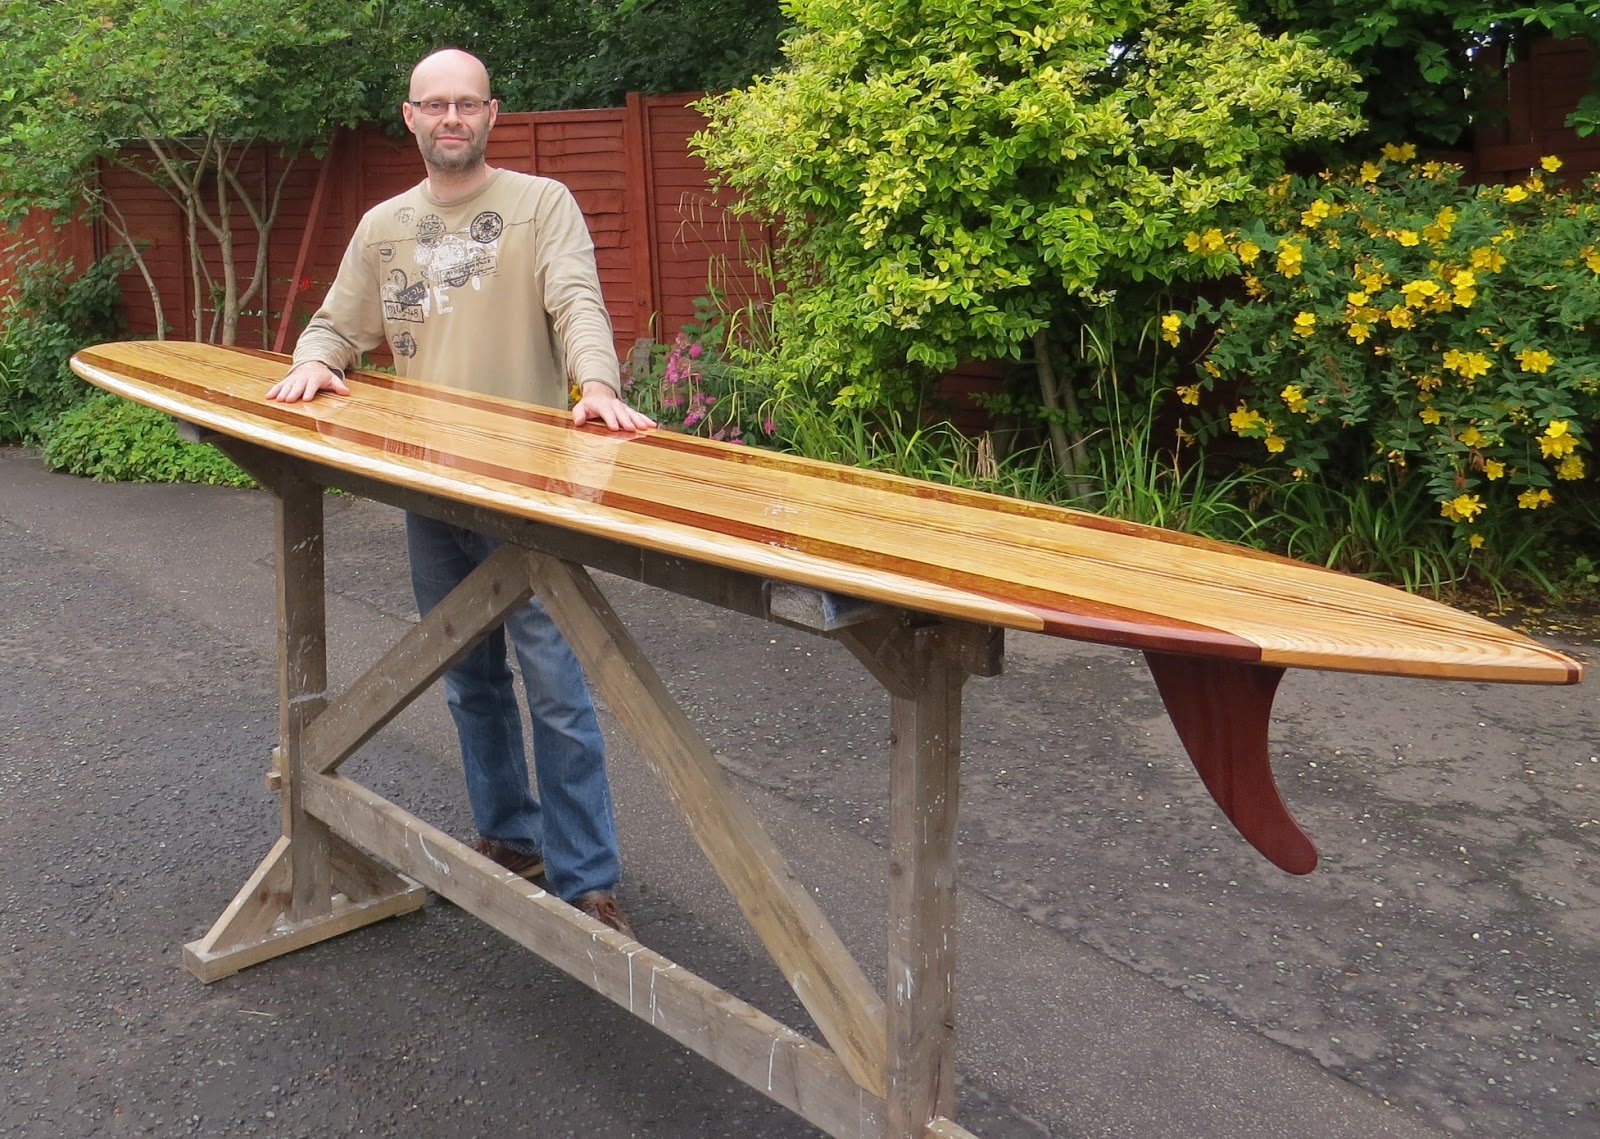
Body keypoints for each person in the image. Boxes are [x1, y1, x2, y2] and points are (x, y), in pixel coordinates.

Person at [267, 47, 655, 937]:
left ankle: (586, 879)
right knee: (467, 677)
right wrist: (316, 363)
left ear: (491, 114)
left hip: (529, 491)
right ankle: (508, 834)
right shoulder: (383, 225)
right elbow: (337, 323)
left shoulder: (538, 206)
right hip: (429, 489)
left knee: (556, 685)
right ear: (410, 116)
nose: (451, 118)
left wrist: (595, 383)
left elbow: (576, 299)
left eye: (467, 105)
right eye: (435, 105)